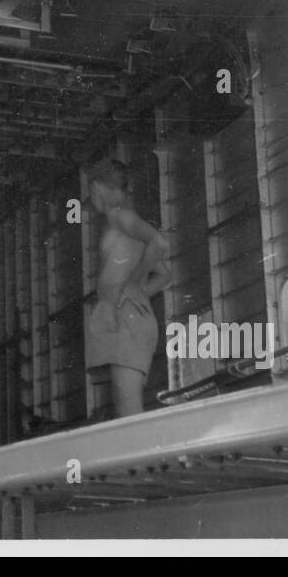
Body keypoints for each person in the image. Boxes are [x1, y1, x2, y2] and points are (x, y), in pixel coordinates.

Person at [84, 158, 172, 418]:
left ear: (98, 187)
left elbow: (160, 242)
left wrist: (132, 284)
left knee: (129, 411)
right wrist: (137, 290)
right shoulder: (119, 220)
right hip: (127, 315)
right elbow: (165, 275)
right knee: (125, 408)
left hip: (128, 319)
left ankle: (143, 460)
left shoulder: (120, 216)